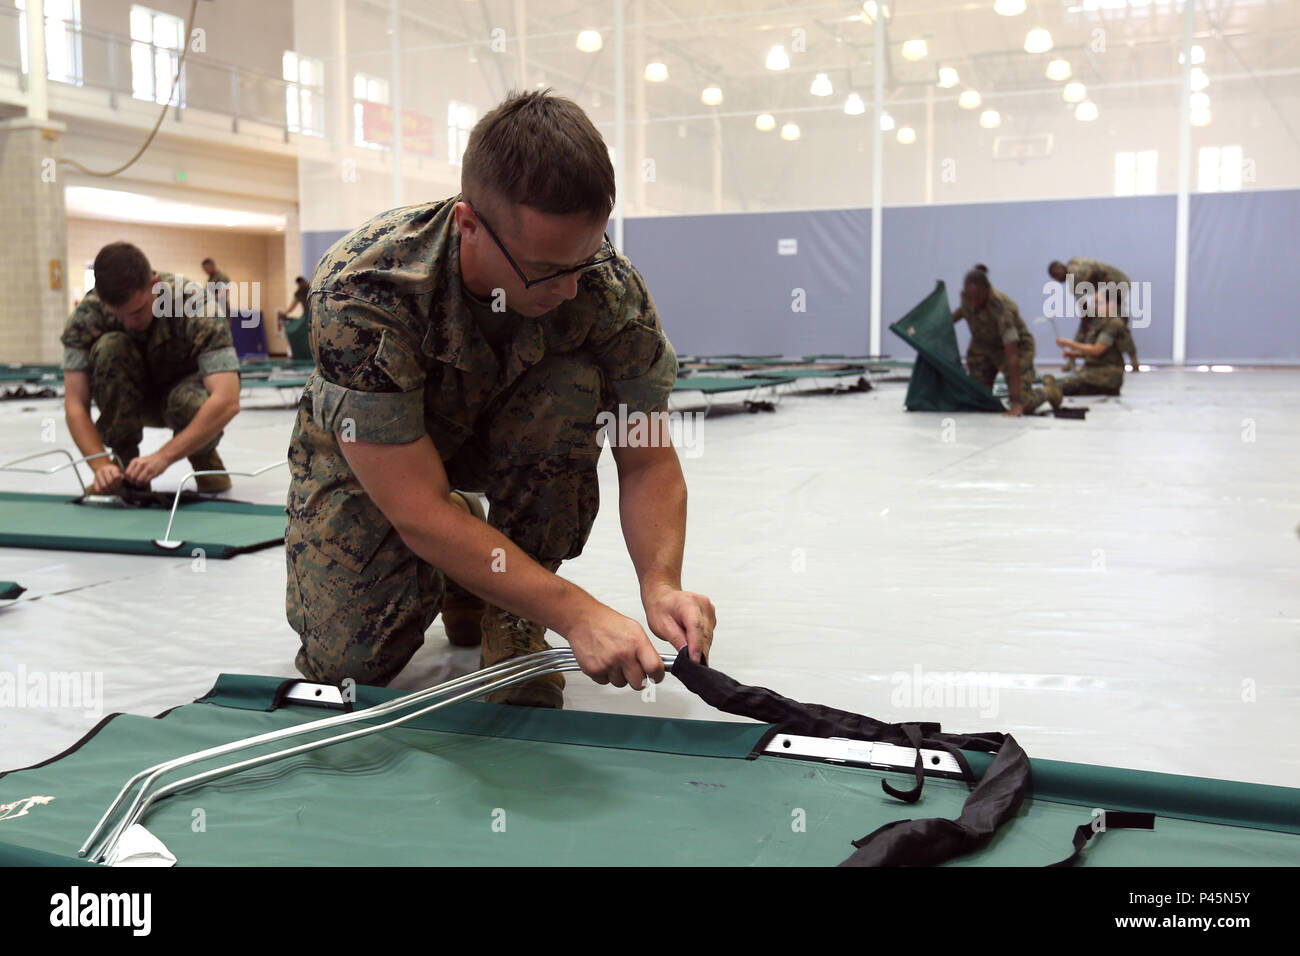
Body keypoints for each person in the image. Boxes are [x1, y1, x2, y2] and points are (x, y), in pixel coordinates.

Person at [284, 90, 715, 708]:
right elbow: (416, 507)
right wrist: (578, 613)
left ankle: (510, 616)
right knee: (346, 664)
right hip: (384, 457)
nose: (569, 288)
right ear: (469, 226)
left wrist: (660, 584)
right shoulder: (365, 290)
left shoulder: (607, 289)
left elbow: (645, 454)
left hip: (510, 435)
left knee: (571, 384)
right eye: (545, 269)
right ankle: (470, 555)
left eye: (584, 259)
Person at [61, 242, 241, 495]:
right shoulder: (87, 315)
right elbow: (75, 405)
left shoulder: (193, 301)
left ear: (155, 285)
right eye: (118, 315)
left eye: (137, 311)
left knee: (192, 401)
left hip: (183, 396)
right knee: (109, 346)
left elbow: (227, 400)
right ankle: (123, 466)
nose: (129, 322)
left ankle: (204, 460)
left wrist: (163, 457)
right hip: (128, 399)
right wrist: (100, 465)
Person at [951, 264, 1050, 416]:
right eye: (969, 298)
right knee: (978, 399)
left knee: (1025, 404)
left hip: (1016, 349)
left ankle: (1049, 391)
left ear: (987, 289)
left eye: (976, 298)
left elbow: (1012, 356)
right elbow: (963, 310)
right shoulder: (968, 295)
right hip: (984, 347)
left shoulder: (1003, 309)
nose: (973, 303)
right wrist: (945, 323)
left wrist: (1016, 403)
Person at [1048, 258, 1139, 374]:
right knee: (1095, 324)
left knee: (1116, 324)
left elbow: (1084, 308)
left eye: (1057, 276)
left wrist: (1086, 324)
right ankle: (1073, 361)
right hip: (1110, 287)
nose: (1058, 279)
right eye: (1055, 277)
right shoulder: (1072, 268)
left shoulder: (1075, 276)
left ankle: (1134, 362)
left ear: (1062, 269)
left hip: (1117, 286)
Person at [1045, 283, 1128, 400]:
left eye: (1098, 303)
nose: (1094, 306)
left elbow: (1096, 350)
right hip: (1095, 374)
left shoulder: (1113, 324)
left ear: (1111, 304)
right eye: (1094, 302)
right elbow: (1099, 352)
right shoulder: (1100, 322)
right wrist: (1074, 354)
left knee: (1060, 387)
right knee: (1058, 384)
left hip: (1106, 378)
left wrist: (1069, 343)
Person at [276, 276, 312, 359]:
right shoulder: (299, 293)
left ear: (305, 282)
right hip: (306, 316)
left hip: (314, 314)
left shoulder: (312, 289)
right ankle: (302, 355)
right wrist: (284, 313)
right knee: (295, 331)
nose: (302, 285)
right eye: (300, 284)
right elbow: (292, 306)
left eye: (303, 283)